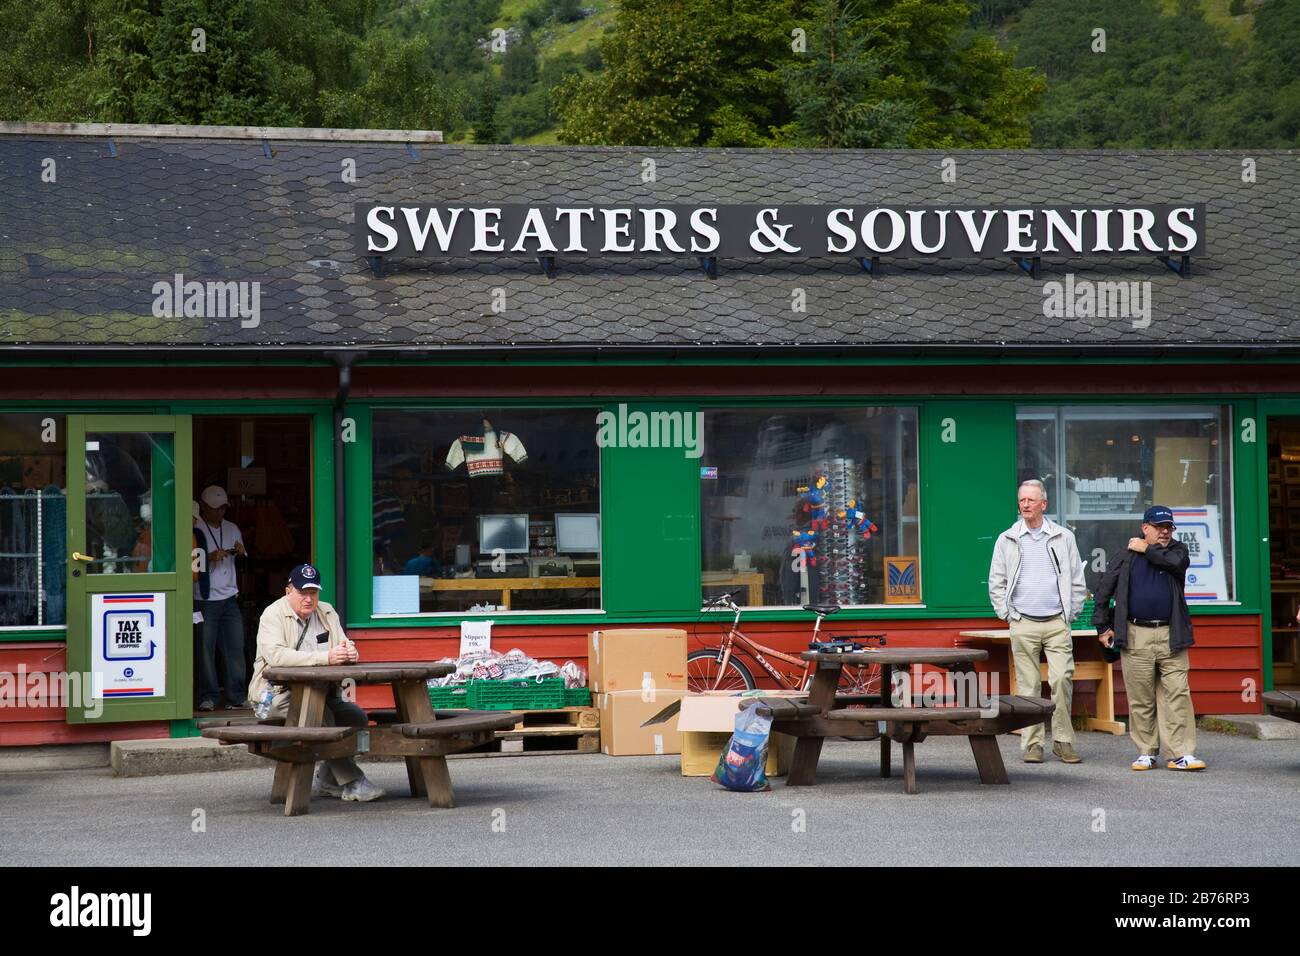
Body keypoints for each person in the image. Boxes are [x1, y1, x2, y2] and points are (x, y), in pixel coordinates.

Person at [247, 564, 385, 802]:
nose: (308, 599)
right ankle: (353, 781)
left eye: (313, 593)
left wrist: (350, 653)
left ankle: (328, 779)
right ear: (288, 591)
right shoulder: (272, 614)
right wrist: (326, 657)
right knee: (322, 717)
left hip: (322, 692)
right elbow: (277, 657)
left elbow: (344, 643)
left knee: (356, 718)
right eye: (302, 593)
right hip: (276, 696)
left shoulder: (327, 611)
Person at [1093, 506, 1206, 771]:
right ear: (1145, 528)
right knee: (1140, 696)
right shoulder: (1127, 554)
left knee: (1177, 693)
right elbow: (1104, 589)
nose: (1165, 532)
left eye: (1169, 527)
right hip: (1135, 633)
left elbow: (1175, 564)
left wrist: (1147, 549)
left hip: (1171, 633)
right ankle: (1146, 751)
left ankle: (1180, 753)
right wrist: (1101, 627)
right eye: (1159, 527)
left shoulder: (1178, 551)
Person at [988, 479, 1087, 764]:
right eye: (1022, 500)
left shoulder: (1062, 537)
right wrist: (1007, 614)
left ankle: (1063, 741)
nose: (1025, 505)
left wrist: (1071, 613)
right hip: (1023, 622)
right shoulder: (1008, 538)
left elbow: (1077, 581)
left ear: (1044, 504)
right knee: (1028, 687)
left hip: (1057, 622)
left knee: (1061, 680)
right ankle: (1032, 745)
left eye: (1031, 500)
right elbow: (996, 580)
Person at [194, 485, 247, 711]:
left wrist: (240, 550)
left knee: (235, 647)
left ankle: (236, 695)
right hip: (204, 599)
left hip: (229, 596)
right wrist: (209, 558)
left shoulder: (232, 527)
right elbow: (190, 562)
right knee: (205, 650)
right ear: (204, 507)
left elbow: (244, 556)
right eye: (215, 508)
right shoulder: (196, 528)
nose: (219, 513)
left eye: (223, 508)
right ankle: (209, 696)